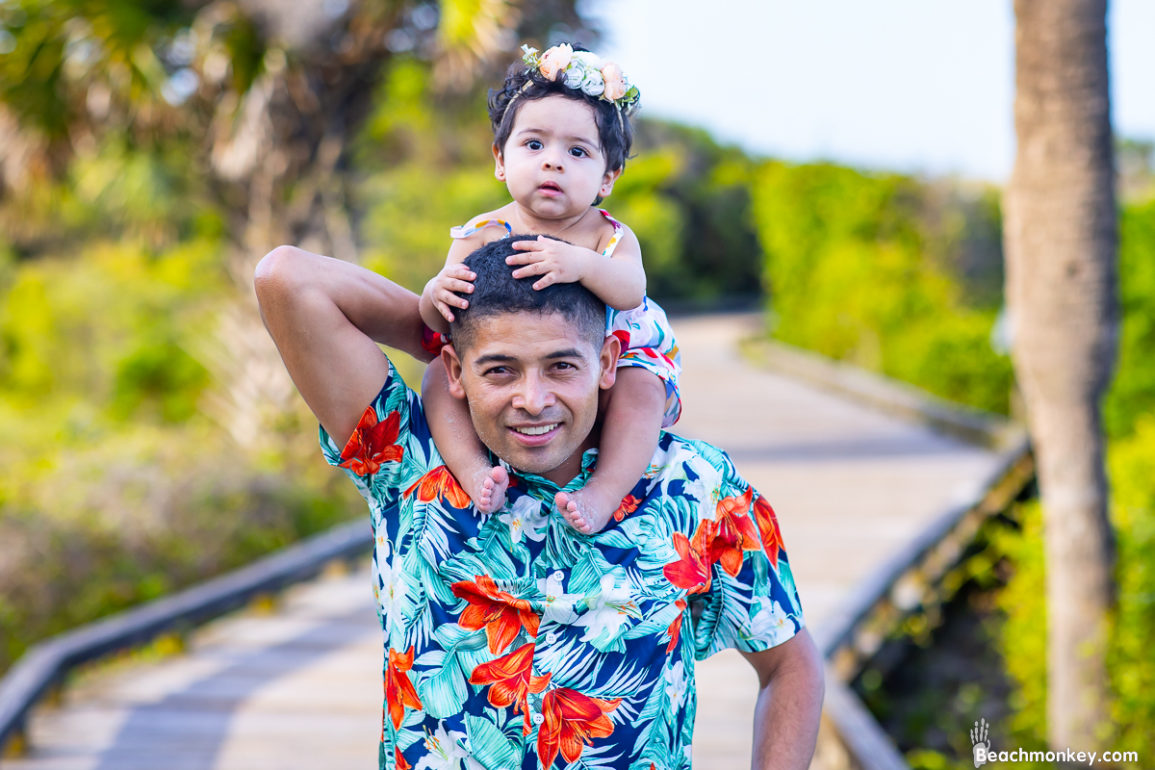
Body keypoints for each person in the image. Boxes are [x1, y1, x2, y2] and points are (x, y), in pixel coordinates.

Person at [254, 235, 824, 770]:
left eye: (561, 366)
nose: (533, 401)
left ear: (606, 363)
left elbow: (789, 664)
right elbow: (287, 279)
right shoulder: (409, 461)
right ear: (454, 372)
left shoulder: (693, 485)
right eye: (499, 369)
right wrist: (445, 321)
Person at [419, 43, 679, 535]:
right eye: (534, 145)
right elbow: (437, 319)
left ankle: (603, 492)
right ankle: (475, 475)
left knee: (643, 389)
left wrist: (580, 264)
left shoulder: (607, 235)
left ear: (608, 177)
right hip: (518, 360)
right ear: (500, 159)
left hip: (619, 356)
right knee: (436, 377)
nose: (553, 162)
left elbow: (629, 291)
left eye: (577, 152)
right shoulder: (481, 232)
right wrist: (437, 290)